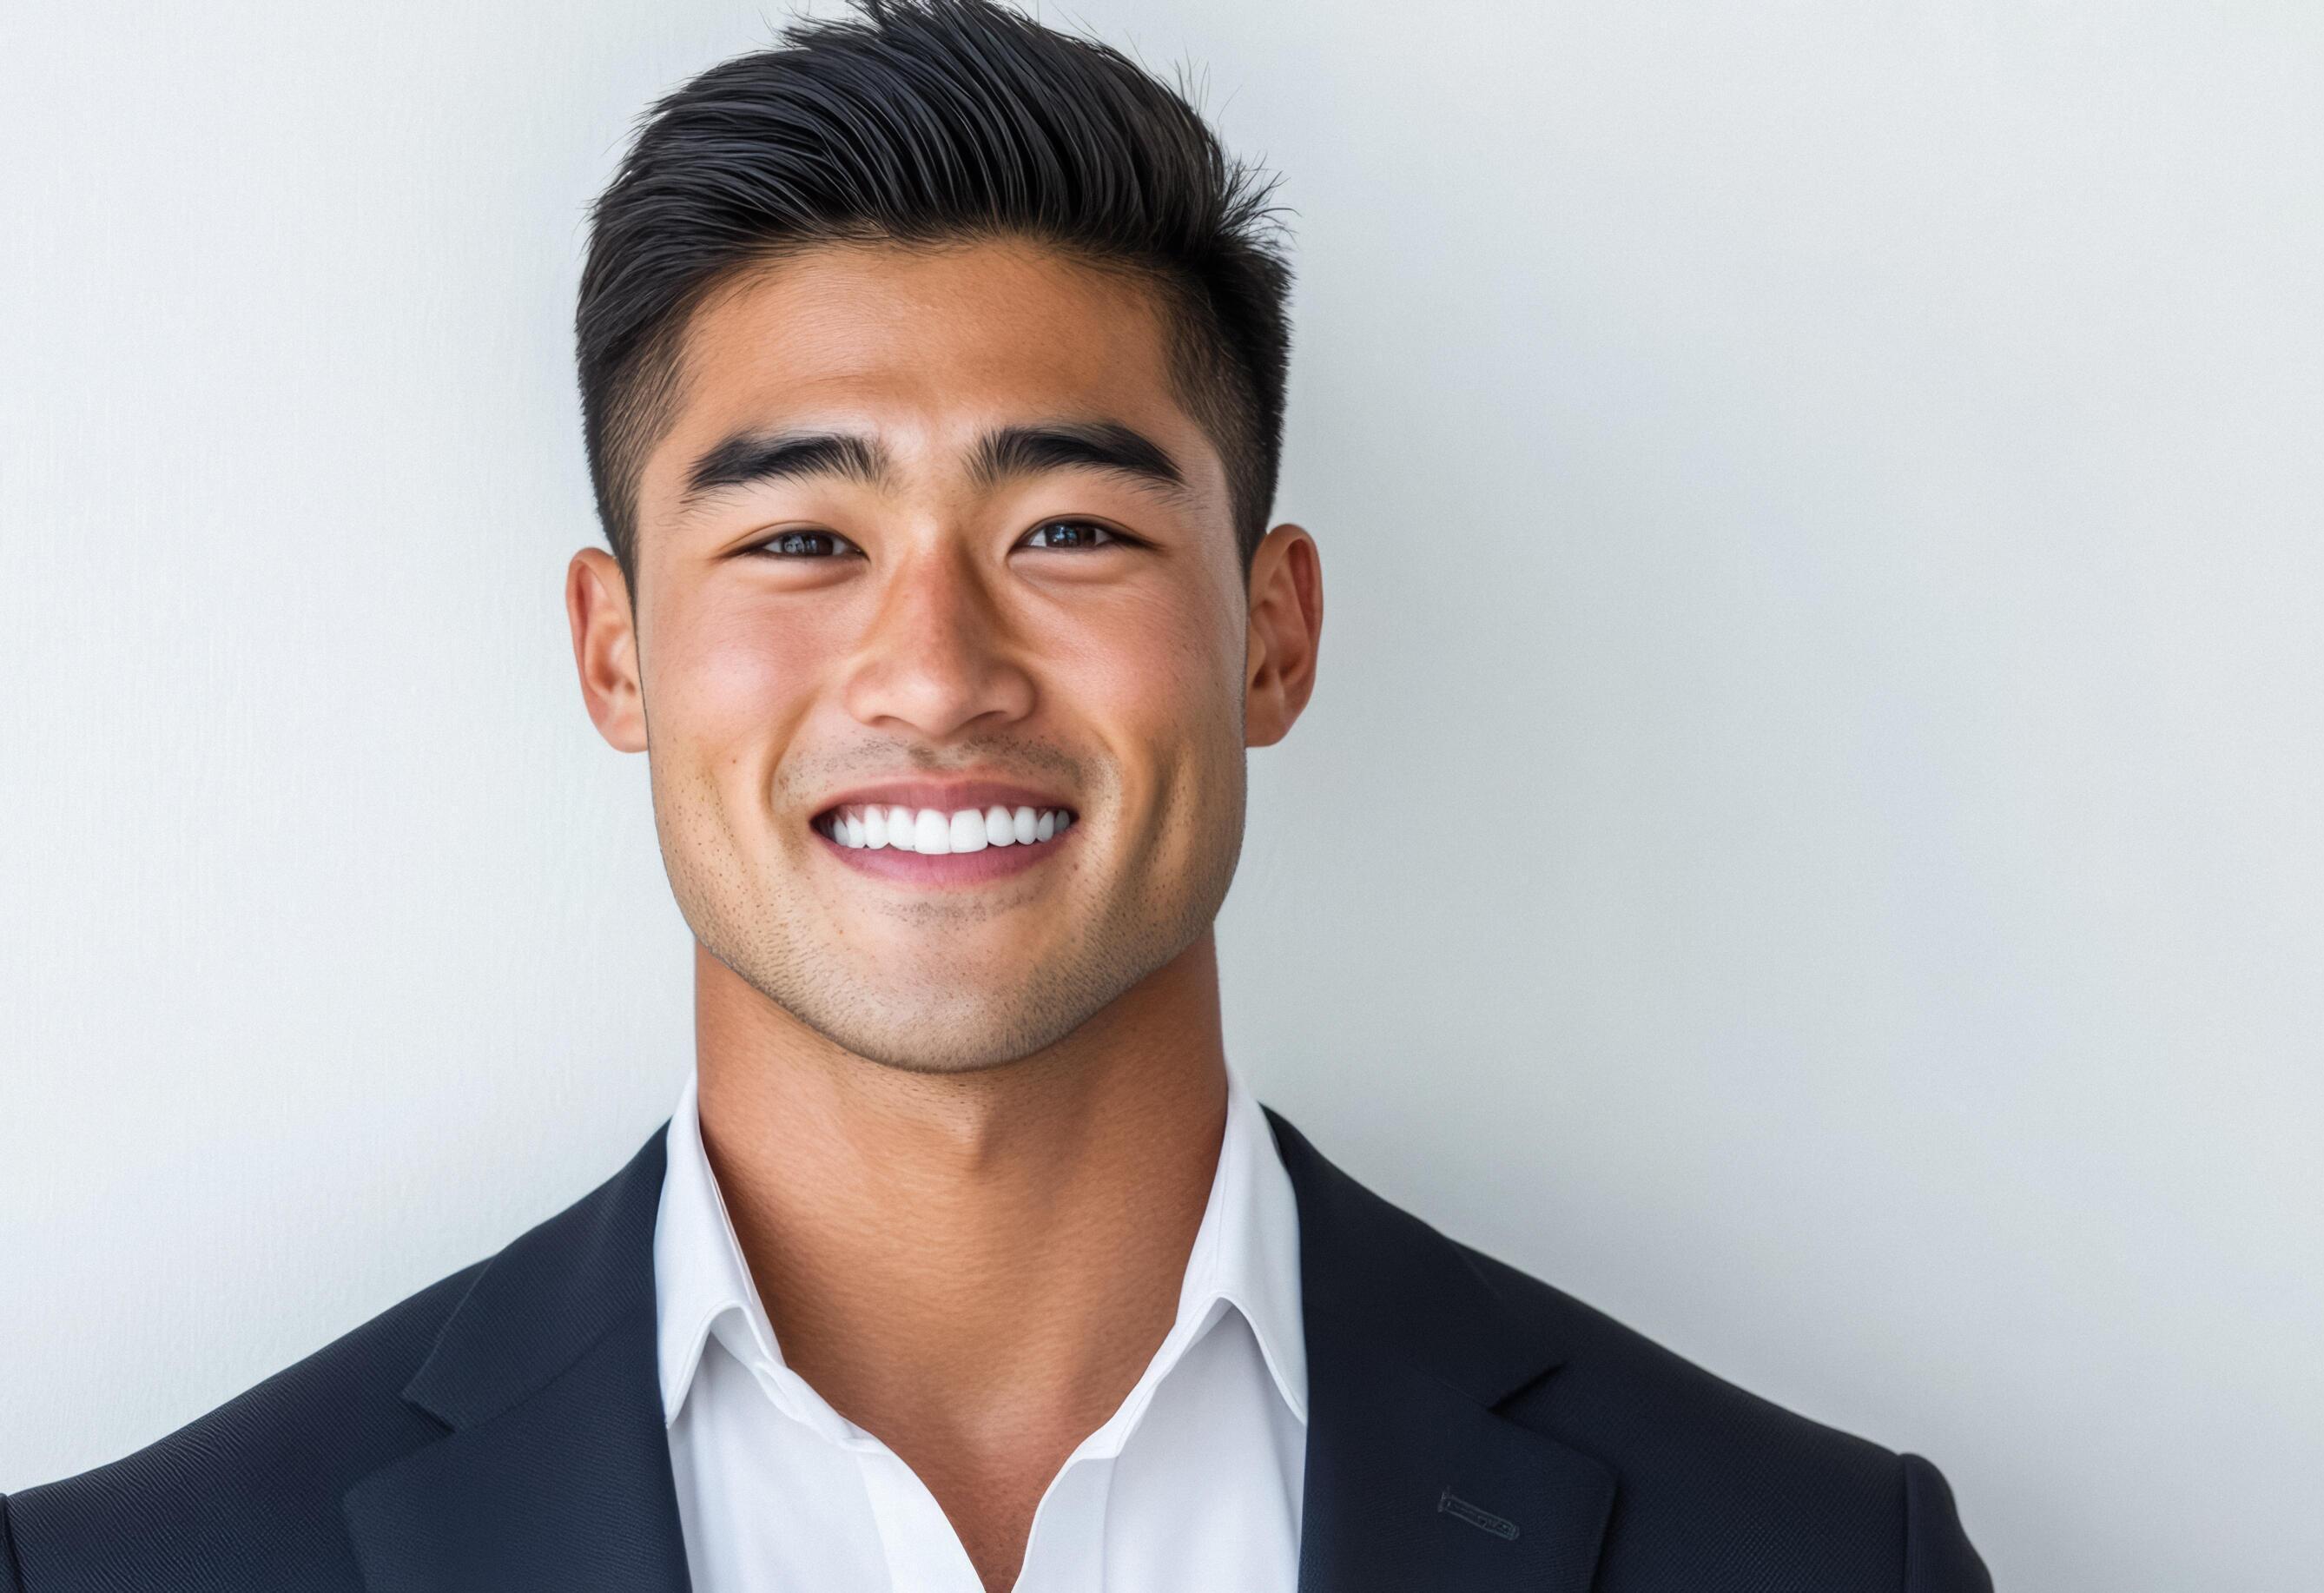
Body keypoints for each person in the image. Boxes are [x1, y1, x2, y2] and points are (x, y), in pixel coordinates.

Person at [0, 3, 1991, 1589]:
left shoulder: (1808, 1552)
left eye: (1066, 528)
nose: (938, 671)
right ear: (617, 653)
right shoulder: (141, 1567)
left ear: (1272, 633)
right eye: (798, 538)